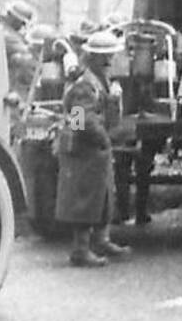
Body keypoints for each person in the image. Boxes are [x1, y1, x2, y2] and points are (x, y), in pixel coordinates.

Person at [54, 29, 132, 267]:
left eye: (111, 56)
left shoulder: (101, 82)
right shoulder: (83, 86)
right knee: (84, 201)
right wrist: (103, 139)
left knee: (103, 197)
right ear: (94, 58)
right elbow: (80, 121)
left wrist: (113, 103)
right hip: (83, 153)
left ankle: (101, 239)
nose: (110, 61)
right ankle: (80, 249)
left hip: (95, 151)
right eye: (105, 56)